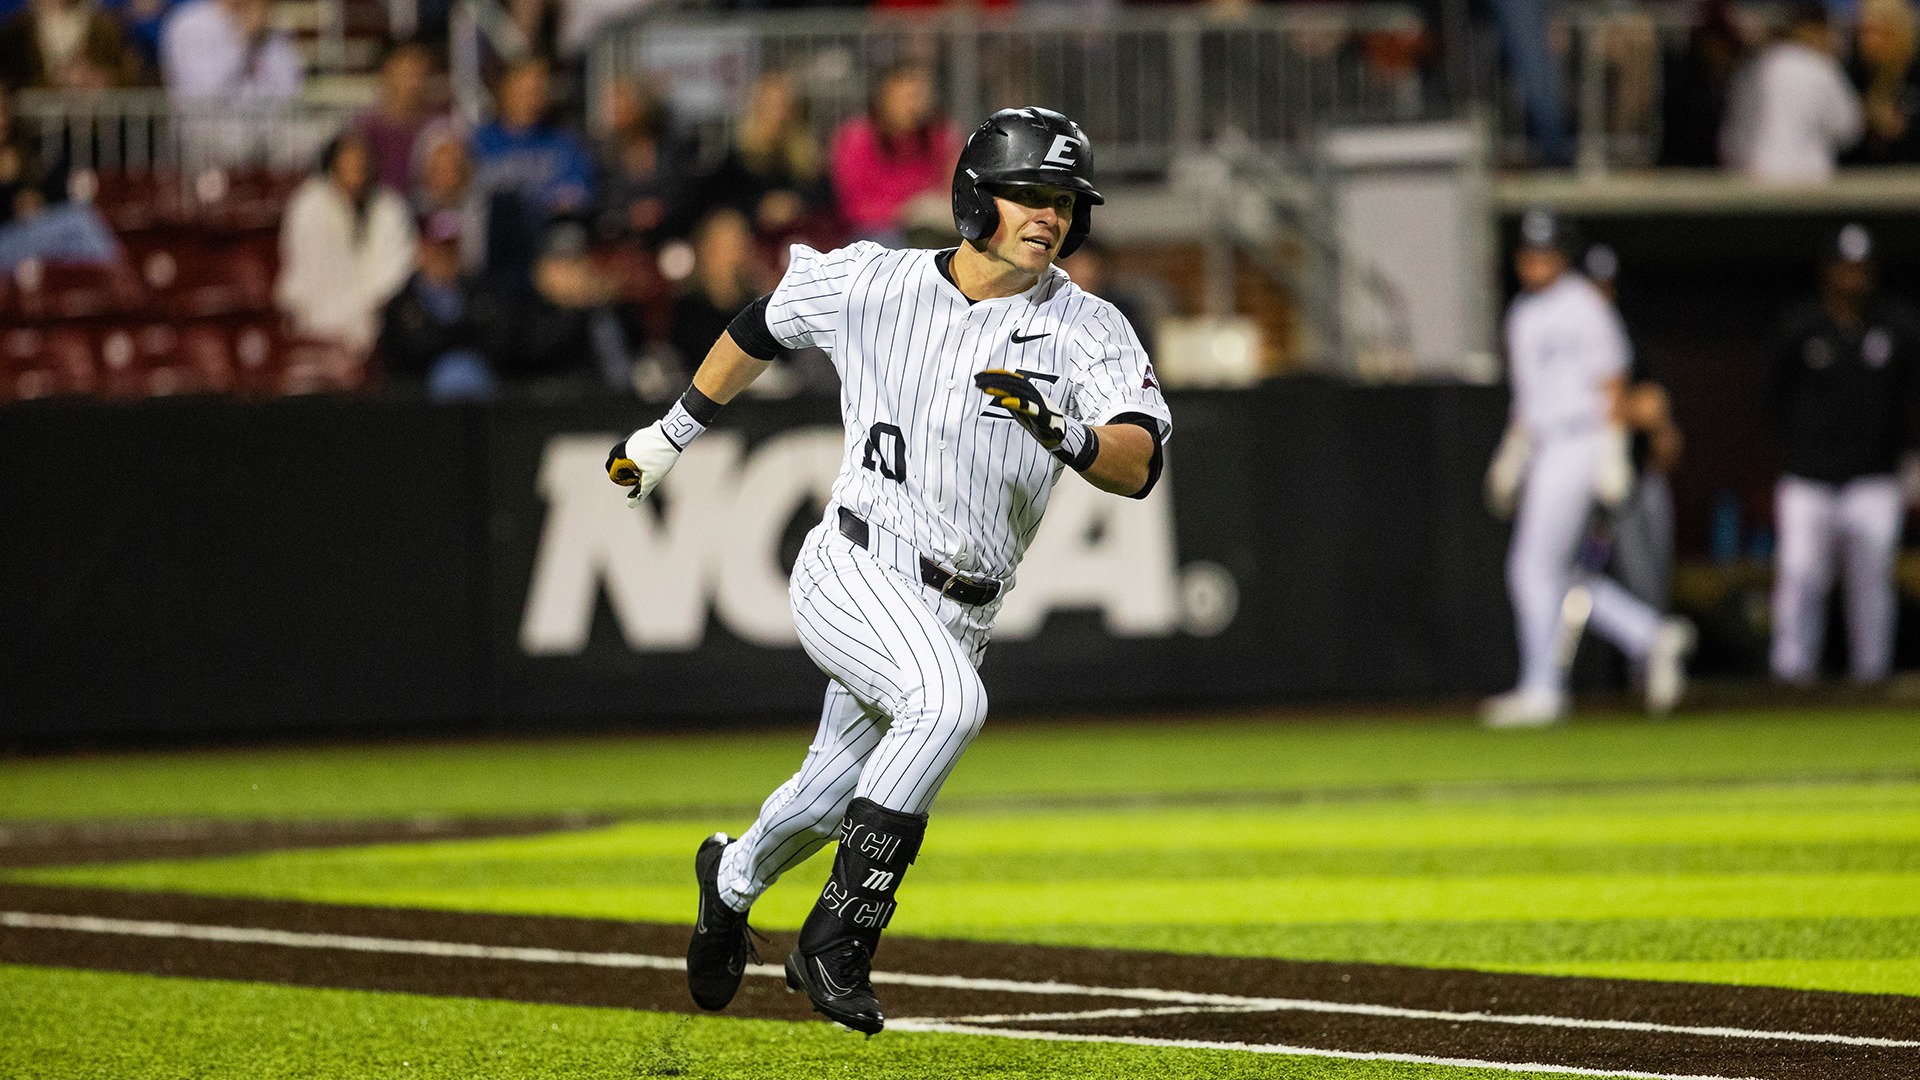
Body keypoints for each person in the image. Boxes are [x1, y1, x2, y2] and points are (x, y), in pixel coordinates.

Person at [607, 107, 1167, 1034]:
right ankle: (838, 939)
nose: (1049, 215)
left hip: (964, 609)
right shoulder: (877, 280)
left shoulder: (1089, 326)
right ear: (975, 198)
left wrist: (1067, 433)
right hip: (854, 562)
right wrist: (668, 435)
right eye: (1029, 193)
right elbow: (760, 324)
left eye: (1065, 201)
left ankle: (730, 878)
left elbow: (1139, 462)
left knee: (826, 799)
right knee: (947, 707)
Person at [1482, 209, 1694, 728]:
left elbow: (1613, 383)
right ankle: (1651, 634)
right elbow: (1529, 401)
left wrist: (1612, 451)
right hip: (1546, 444)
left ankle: (1543, 689)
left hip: (1581, 439)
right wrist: (1512, 456)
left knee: (1531, 570)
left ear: (1562, 255)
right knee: (1558, 576)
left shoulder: (1583, 304)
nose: (1537, 261)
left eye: (1547, 252)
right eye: (1530, 252)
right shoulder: (1522, 314)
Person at [1768, 224, 1920, 686]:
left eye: (1860, 268)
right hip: (1808, 478)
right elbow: (1774, 397)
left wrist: (1911, 463)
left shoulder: (1896, 328)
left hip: (1874, 479)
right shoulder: (1801, 328)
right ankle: (1791, 678)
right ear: (1827, 271)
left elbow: (1911, 400)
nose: (1852, 278)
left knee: (1871, 585)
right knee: (1800, 577)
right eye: (1844, 268)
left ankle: (1871, 680)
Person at [275, 131, 417, 353]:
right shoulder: (309, 206)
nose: (357, 168)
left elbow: (395, 270)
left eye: (362, 162)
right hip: (315, 322)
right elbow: (313, 278)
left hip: (379, 322)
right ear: (333, 164)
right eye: (349, 161)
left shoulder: (389, 207)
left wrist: (369, 307)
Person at [470, 55, 592, 288]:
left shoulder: (563, 142)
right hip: (491, 254)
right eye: (525, 87)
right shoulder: (479, 141)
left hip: (548, 255)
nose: (533, 95)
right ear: (504, 89)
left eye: (539, 87)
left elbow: (574, 197)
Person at [1721, 2, 1862, 183]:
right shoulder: (1820, 66)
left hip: (1754, 180)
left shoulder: (1753, 67)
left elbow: (1730, 139)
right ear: (1812, 29)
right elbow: (1848, 129)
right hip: (1808, 184)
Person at [829, 61, 957, 244]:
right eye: (906, 97)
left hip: (929, 228)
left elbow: (953, 187)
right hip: (875, 232)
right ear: (884, 98)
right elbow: (854, 207)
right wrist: (905, 211)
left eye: (919, 96)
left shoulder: (939, 135)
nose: (914, 105)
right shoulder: (858, 138)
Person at [377, 209, 492, 401]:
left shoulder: (478, 293)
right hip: (419, 397)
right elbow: (409, 351)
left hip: (477, 390)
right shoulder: (403, 302)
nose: (443, 256)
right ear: (422, 249)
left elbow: (493, 340)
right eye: (437, 248)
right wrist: (459, 333)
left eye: (450, 248)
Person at [703, 70, 831, 240]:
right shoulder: (737, 159)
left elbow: (824, 199)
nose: (778, 115)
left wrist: (796, 204)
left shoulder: (809, 159)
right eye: (770, 107)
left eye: (784, 107)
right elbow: (721, 205)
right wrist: (760, 209)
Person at [590, 77, 691, 247]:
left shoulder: (671, 148)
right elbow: (599, 201)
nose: (616, 113)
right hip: (618, 240)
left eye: (623, 105)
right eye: (612, 106)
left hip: (668, 238)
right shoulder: (600, 154)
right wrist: (628, 215)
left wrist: (660, 209)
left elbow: (683, 194)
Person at [159, 0, 301, 102]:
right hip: (205, 130)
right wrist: (244, 39)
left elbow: (291, 89)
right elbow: (205, 93)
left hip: (269, 129)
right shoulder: (190, 23)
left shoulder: (271, 27)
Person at [353, 40, 441, 195]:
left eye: (420, 72)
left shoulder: (437, 127)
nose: (415, 81)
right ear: (388, 70)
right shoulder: (365, 128)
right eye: (408, 71)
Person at [0, 0, 143, 90]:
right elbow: (8, 79)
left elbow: (128, 73)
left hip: (95, 123)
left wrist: (102, 79)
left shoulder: (105, 24)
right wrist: (53, 83)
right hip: (33, 125)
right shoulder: (17, 28)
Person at [1844, 0, 1920, 165]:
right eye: (1864, 32)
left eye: (1879, 32)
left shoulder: (1914, 73)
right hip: (1860, 173)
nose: (1869, 41)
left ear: (1901, 34)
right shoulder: (1851, 73)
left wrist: (1902, 126)